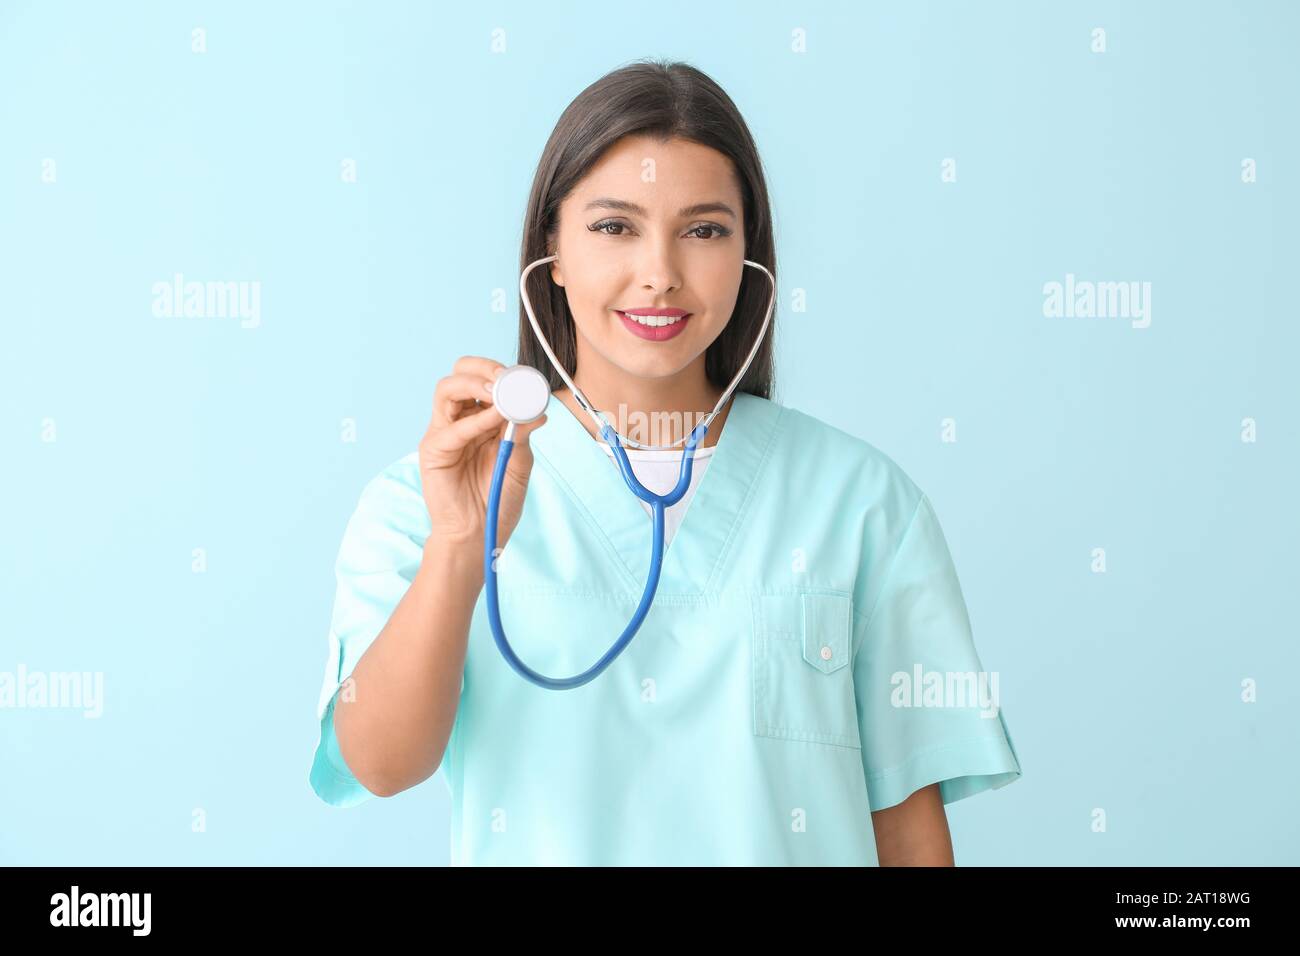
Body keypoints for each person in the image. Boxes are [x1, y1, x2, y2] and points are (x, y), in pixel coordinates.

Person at [308, 58, 1022, 865]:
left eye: (704, 230)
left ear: (750, 252)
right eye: (615, 227)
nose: (660, 275)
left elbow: (907, 832)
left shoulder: (861, 502)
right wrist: (458, 548)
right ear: (552, 248)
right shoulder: (423, 500)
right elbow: (383, 765)